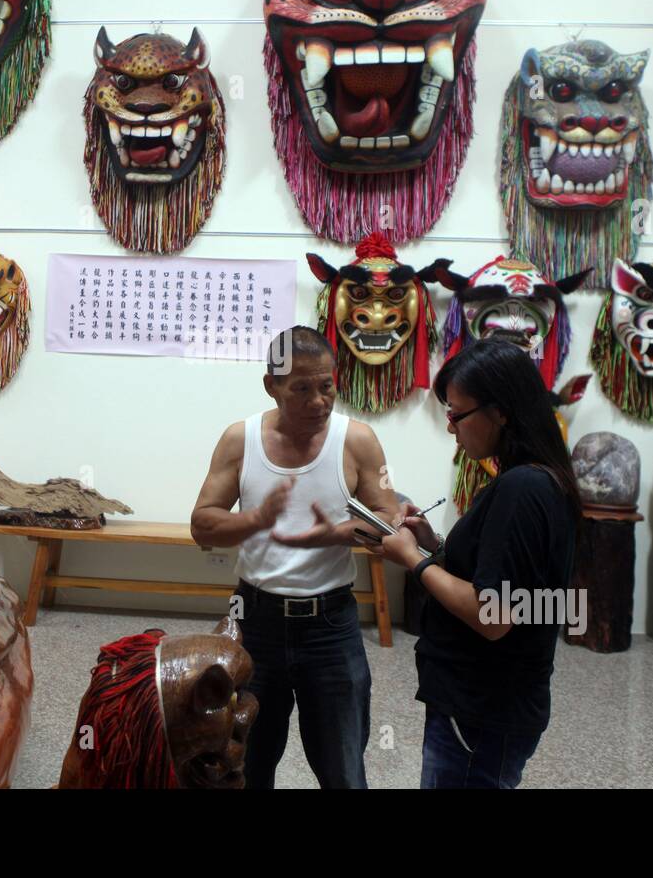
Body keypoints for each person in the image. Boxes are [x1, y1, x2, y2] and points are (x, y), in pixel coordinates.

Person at [190, 325, 400, 789]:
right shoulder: (239, 439)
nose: (319, 402)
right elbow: (202, 525)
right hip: (255, 619)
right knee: (243, 764)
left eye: (326, 386)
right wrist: (256, 520)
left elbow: (391, 520)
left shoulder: (357, 440)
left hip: (331, 625)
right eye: (301, 389)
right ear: (272, 386)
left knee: (343, 768)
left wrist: (339, 533)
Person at [369, 339, 581, 789]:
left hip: (484, 705)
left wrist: (413, 560)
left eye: (456, 414)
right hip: (495, 701)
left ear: (501, 410)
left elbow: (495, 616)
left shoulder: (522, 488)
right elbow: (509, 578)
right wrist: (435, 544)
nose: (451, 429)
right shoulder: (539, 479)